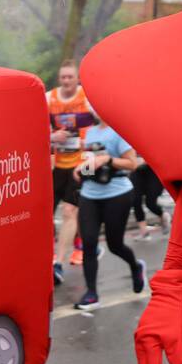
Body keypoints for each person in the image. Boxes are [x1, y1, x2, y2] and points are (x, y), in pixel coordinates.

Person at [72, 115, 146, 309]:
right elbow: (89, 161)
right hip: (90, 194)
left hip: (117, 193)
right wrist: (80, 169)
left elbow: (133, 163)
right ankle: (91, 294)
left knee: (115, 245)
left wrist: (108, 159)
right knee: (88, 243)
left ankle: (135, 266)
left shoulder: (120, 130)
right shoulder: (90, 132)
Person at [46, 62, 94, 284]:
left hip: (82, 163)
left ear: (77, 78)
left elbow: (106, 121)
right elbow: (36, 126)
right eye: (63, 77)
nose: (66, 81)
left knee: (69, 211)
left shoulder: (88, 97)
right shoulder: (49, 98)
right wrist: (52, 138)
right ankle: (79, 243)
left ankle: (59, 262)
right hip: (58, 164)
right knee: (47, 214)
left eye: (70, 77)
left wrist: (94, 146)